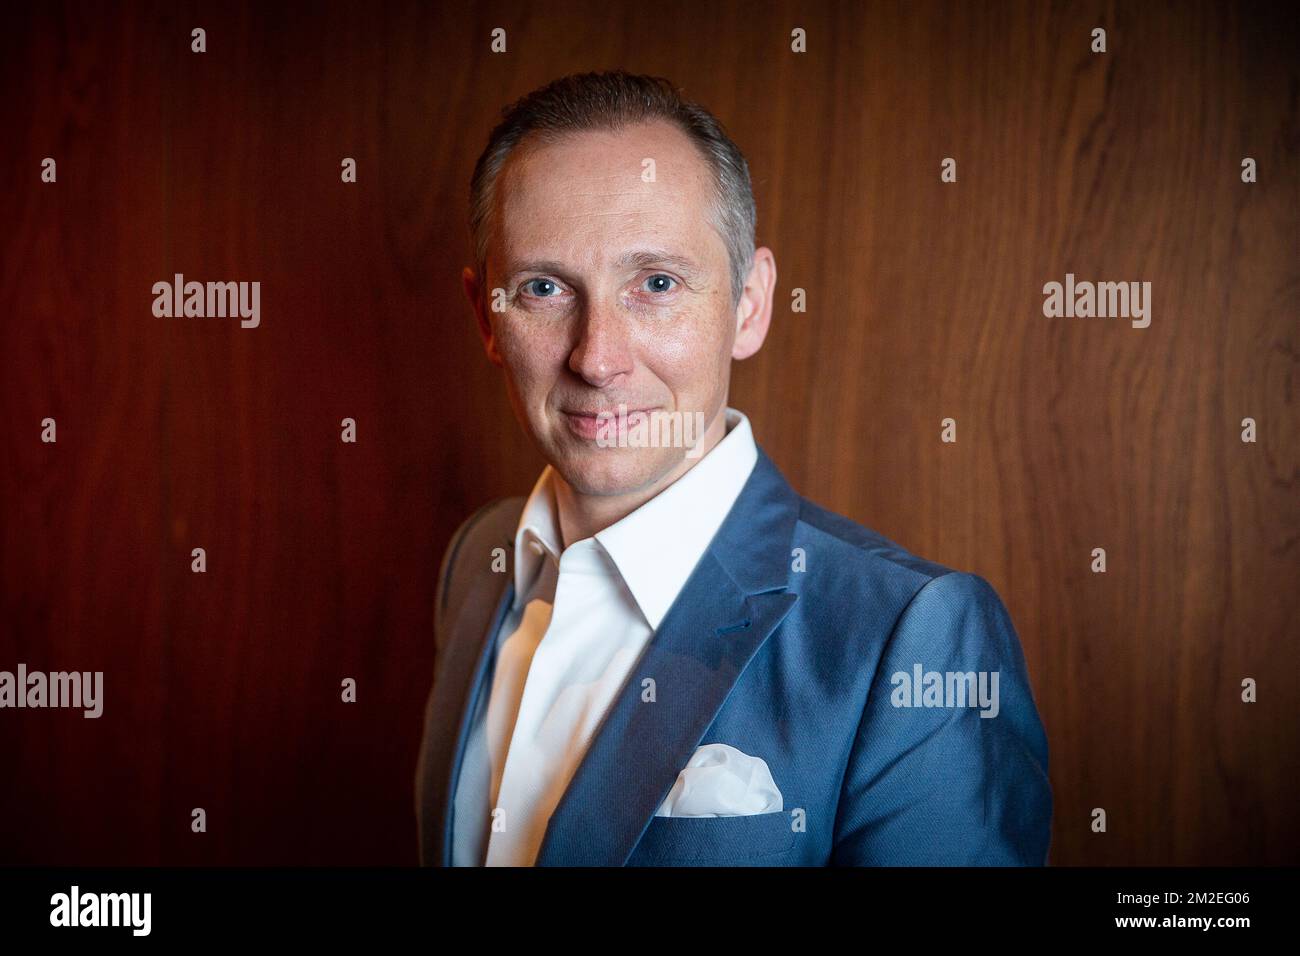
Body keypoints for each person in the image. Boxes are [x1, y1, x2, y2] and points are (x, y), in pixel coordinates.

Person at [415, 70, 1052, 866]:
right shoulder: (476, 561)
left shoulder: (915, 639)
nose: (598, 356)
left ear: (749, 305)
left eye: (656, 283)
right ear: (487, 317)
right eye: (544, 288)